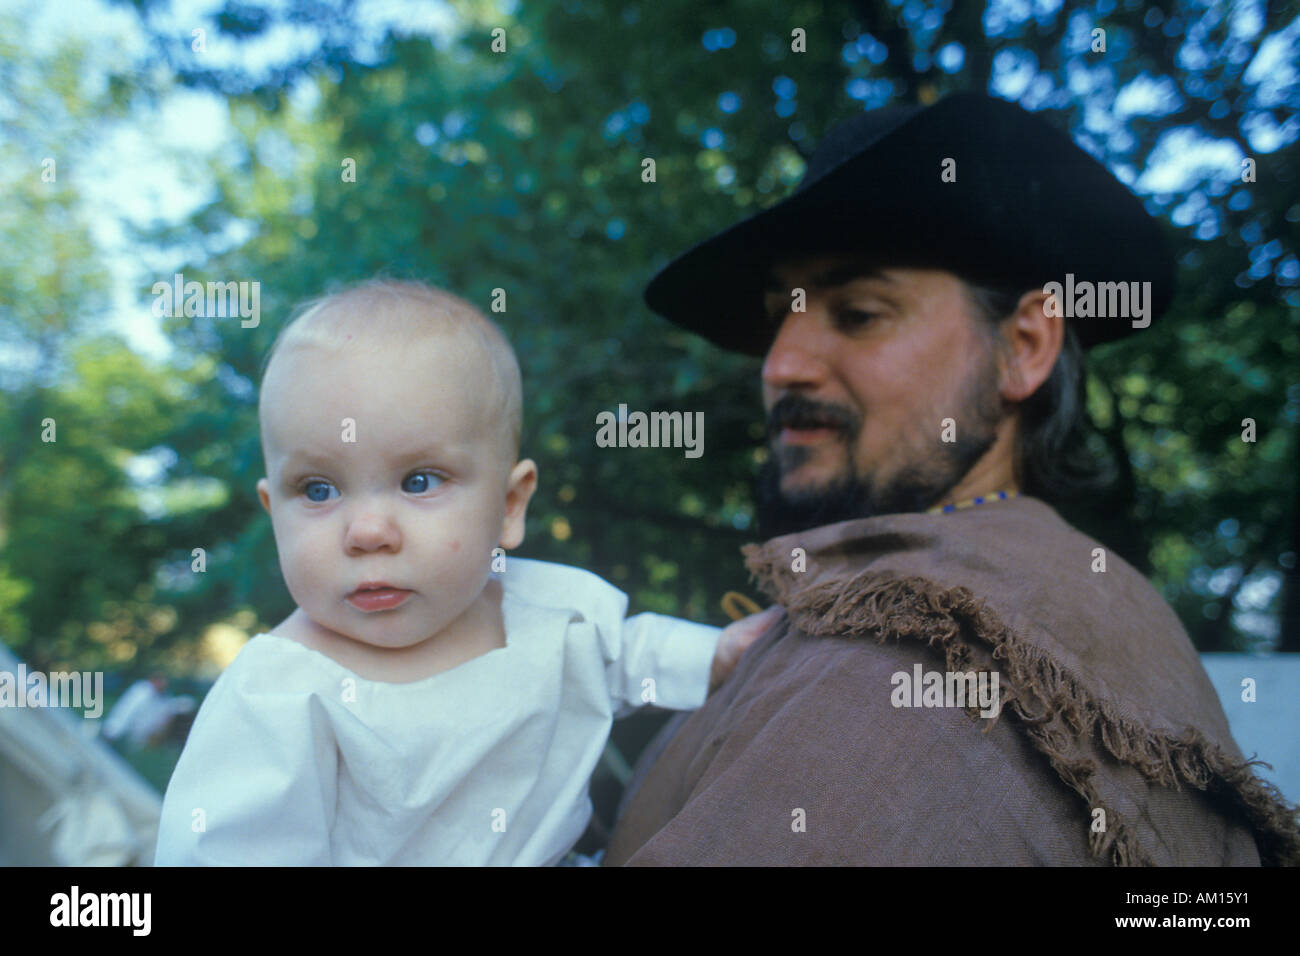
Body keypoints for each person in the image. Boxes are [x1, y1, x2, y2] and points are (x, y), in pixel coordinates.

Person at [604, 92, 1300, 866]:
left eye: (860, 312)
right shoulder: (902, 587)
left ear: (1024, 347)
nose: (780, 366)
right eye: (780, 318)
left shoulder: (931, 647)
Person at [154, 279, 773, 866]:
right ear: (274, 513)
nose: (367, 531)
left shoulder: (552, 615)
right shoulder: (280, 694)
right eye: (317, 490)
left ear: (508, 506)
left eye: (419, 481)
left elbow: (632, 653)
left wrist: (718, 654)